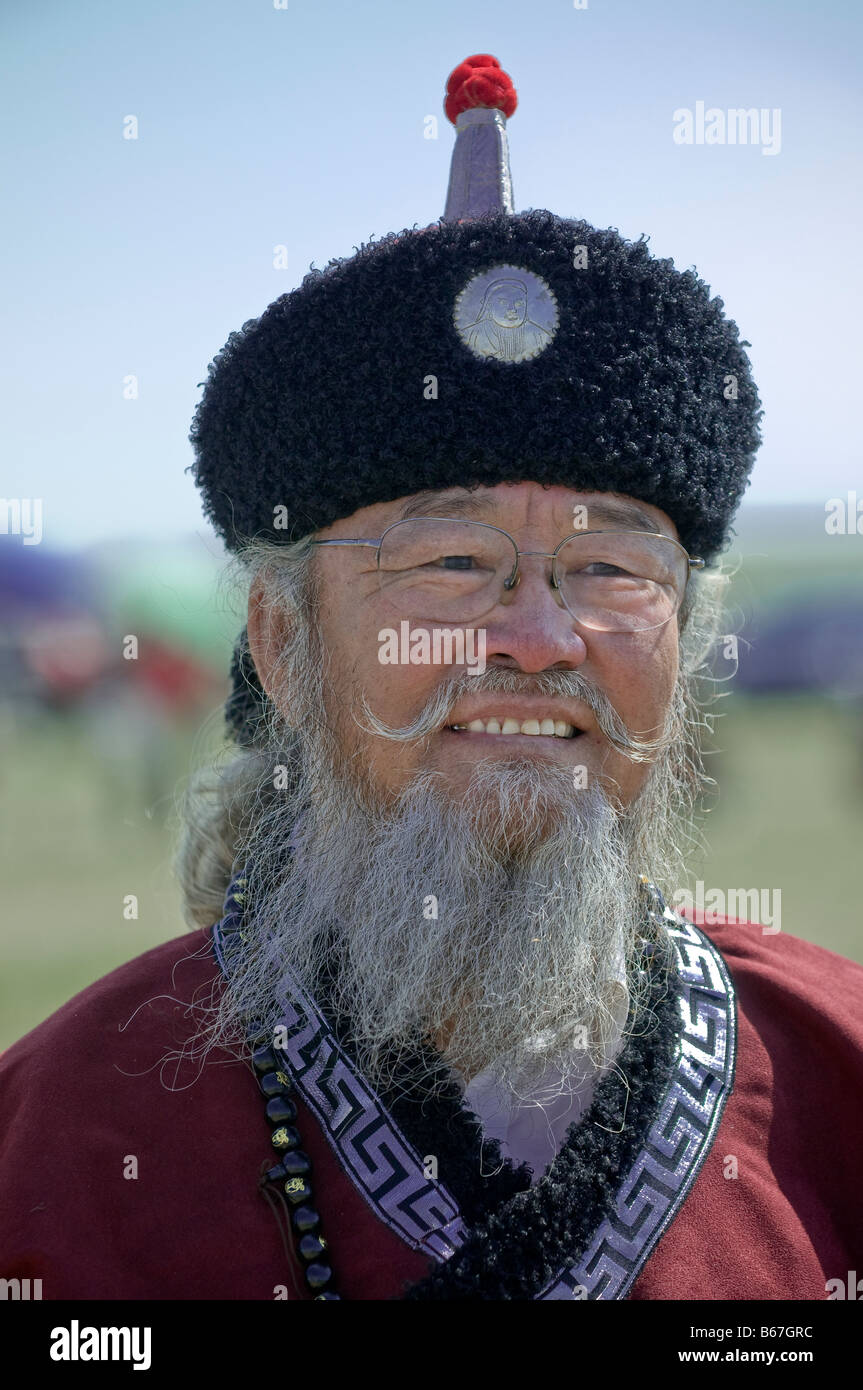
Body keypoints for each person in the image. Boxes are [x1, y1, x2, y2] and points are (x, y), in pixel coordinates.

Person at [1, 54, 861, 1303]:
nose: (535, 635)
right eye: (451, 561)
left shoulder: (835, 1079)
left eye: (610, 565)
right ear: (284, 647)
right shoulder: (60, 1144)